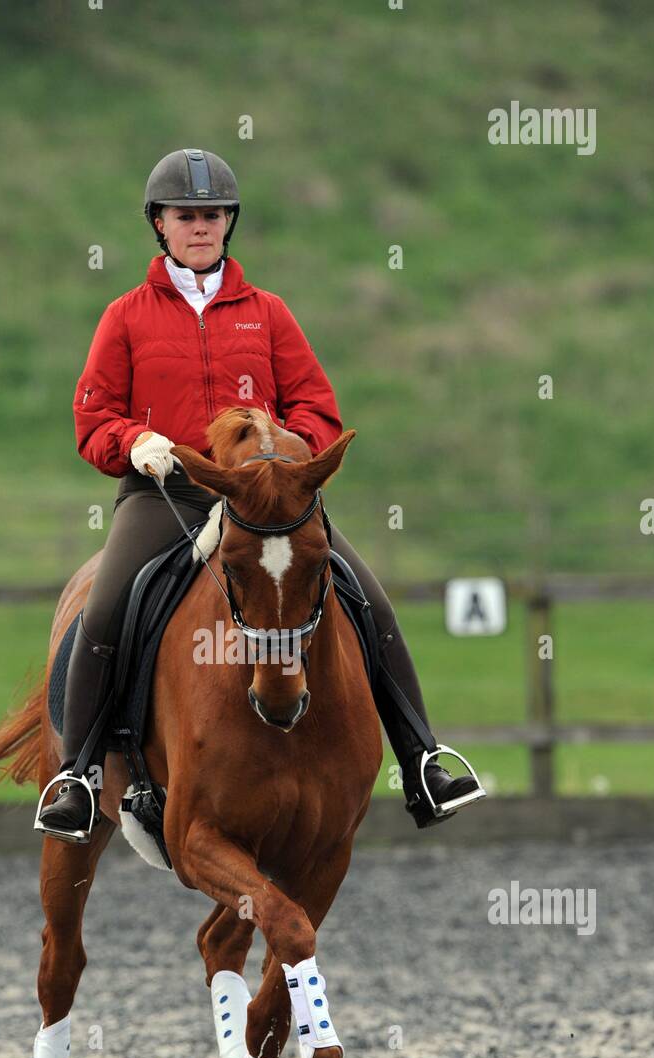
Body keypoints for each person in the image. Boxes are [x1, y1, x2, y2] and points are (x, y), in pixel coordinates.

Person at [37, 148, 483, 840]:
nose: (200, 227)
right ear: (159, 225)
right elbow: (93, 418)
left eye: (212, 215)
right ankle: (78, 773)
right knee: (105, 610)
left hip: (267, 502)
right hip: (168, 495)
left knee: (369, 600)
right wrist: (136, 444)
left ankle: (423, 761)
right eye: (186, 216)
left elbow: (318, 409)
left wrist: (282, 452)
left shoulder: (267, 313)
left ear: (228, 224)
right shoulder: (124, 316)